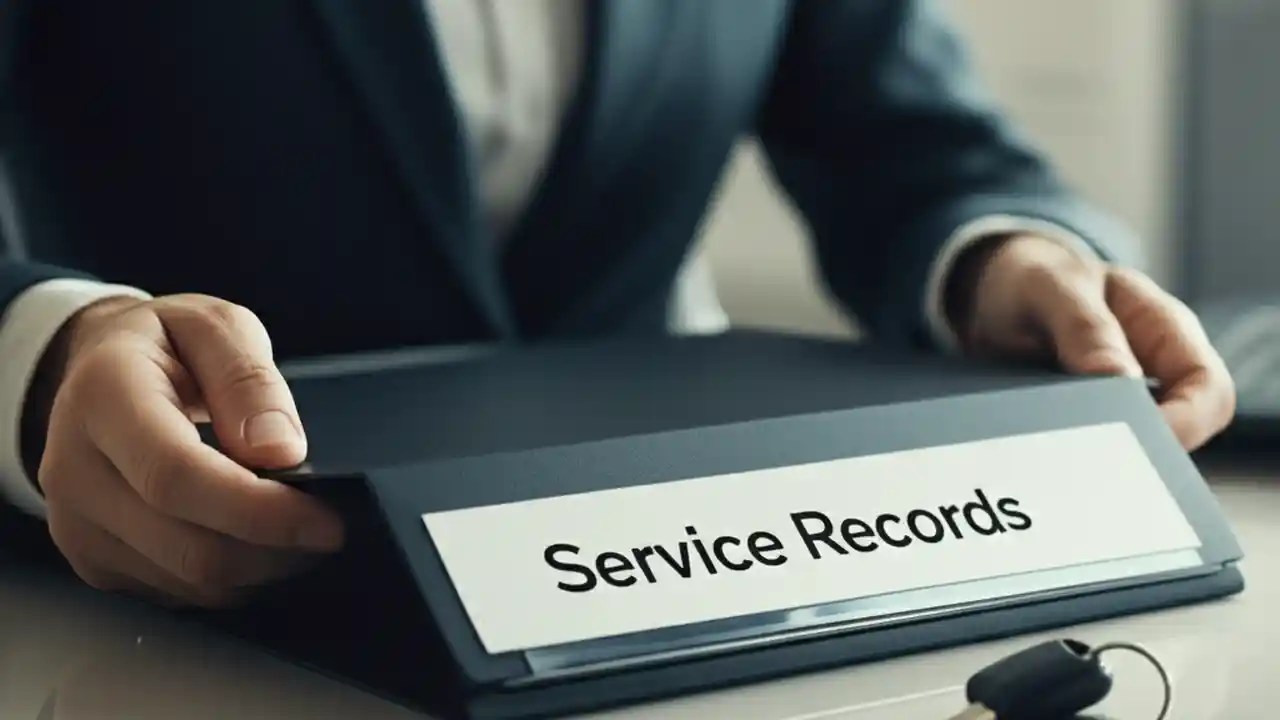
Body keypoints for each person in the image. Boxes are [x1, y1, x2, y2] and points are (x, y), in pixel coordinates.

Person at [0, 1, 1234, 607]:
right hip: (188, 607)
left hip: (680, 588)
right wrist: (43, 354)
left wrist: (1002, 257)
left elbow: (912, 138)